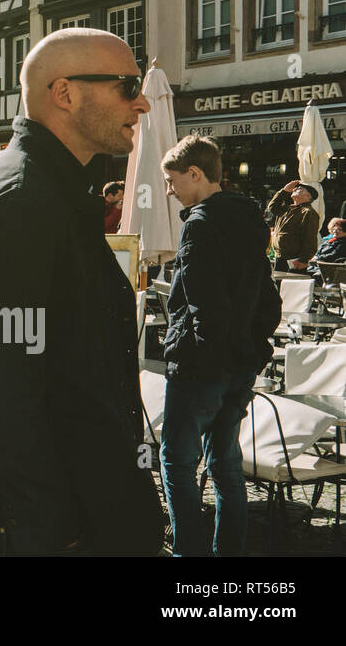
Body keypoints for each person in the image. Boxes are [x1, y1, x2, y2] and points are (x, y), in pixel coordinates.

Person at [0, 27, 163, 557]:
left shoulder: (48, 187)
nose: (143, 101)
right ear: (65, 94)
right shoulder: (22, 199)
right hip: (46, 521)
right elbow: (0, 385)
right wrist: (53, 526)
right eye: (127, 85)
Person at [158, 135, 281, 557]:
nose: (169, 190)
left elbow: (203, 305)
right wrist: (253, 350)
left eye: (171, 180)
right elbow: (269, 299)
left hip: (202, 369)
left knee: (176, 461)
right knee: (226, 463)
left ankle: (188, 553)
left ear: (195, 174)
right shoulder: (249, 219)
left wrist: (209, 363)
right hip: (239, 365)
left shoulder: (199, 224)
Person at [266, 181, 322, 271]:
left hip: (294, 260)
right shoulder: (288, 209)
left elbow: (310, 237)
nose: (295, 189)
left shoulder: (308, 212)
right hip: (280, 256)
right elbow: (272, 207)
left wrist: (304, 259)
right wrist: (284, 191)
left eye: (300, 189)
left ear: (308, 196)